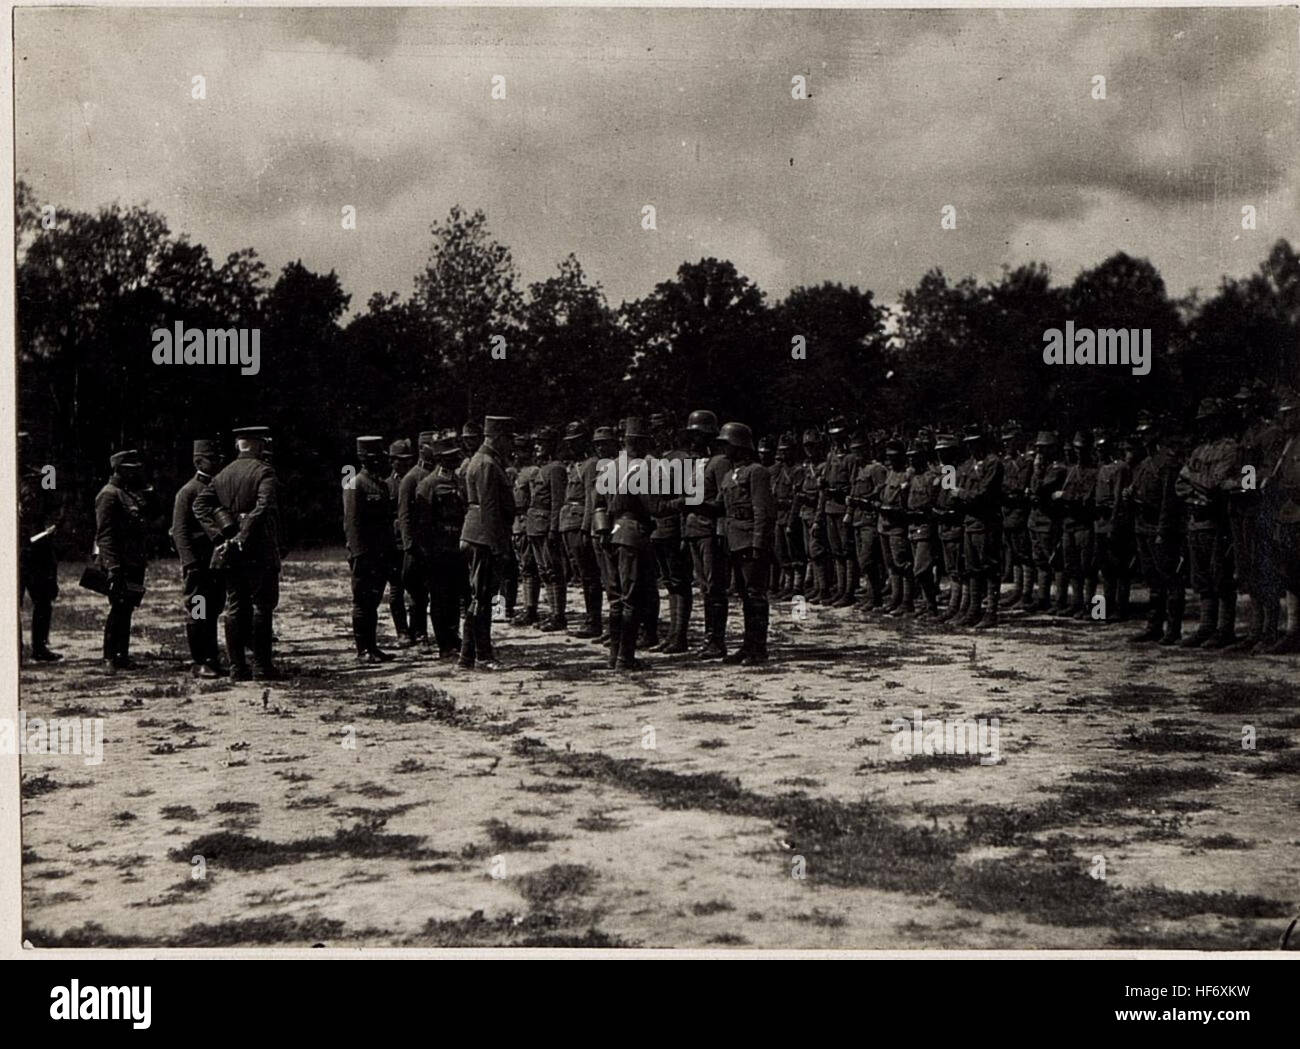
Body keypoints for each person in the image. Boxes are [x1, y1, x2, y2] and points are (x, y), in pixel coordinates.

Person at [193, 425, 283, 680]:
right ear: (256, 444)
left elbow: (200, 505)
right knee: (261, 607)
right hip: (259, 550)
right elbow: (264, 506)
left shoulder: (222, 475)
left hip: (229, 552)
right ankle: (262, 667)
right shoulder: (264, 471)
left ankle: (237, 668)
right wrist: (243, 534)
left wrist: (221, 534)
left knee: (235, 607)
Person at [1176, 398, 1241, 648]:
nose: (1205, 426)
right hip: (1196, 520)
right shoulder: (1198, 450)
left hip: (1217, 522)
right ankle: (1206, 627)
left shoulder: (1229, 449)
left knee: (1221, 576)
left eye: (1209, 421)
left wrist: (1192, 476)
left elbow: (1213, 483)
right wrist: (1196, 491)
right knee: (1201, 578)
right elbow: (1179, 486)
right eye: (1202, 422)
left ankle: (1224, 630)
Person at [459, 416, 516, 670]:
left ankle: (468, 656)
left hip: (481, 536)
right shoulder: (487, 464)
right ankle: (482, 656)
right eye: (508, 439)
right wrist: (498, 546)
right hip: (484, 538)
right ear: (498, 438)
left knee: (481, 596)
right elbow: (490, 508)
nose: (510, 445)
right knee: (483, 598)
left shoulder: (484, 461)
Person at [720, 422, 774, 663]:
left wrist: (758, 542)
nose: (724, 449)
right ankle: (747, 645)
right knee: (744, 595)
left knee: (755, 595)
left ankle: (758, 648)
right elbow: (722, 508)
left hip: (751, 539)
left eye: (727, 444)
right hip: (735, 540)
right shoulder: (729, 474)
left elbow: (762, 510)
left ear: (739, 445)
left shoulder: (757, 472)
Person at [172, 438, 226, 677]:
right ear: (198, 461)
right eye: (212, 459)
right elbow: (180, 531)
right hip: (198, 562)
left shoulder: (218, 488)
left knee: (213, 608)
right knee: (198, 608)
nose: (217, 463)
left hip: (215, 560)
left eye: (218, 459)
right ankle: (199, 660)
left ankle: (211, 657)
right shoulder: (187, 492)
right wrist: (190, 562)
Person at [607, 418, 657, 670]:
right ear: (639, 442)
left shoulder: (612, 466)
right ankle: (625, 658)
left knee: (616, 598)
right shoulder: (641, 468)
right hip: (633, 533)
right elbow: (653, 506)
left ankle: (614, 655)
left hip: (613, 532)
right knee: (631, 598)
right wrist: (682, 501)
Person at [95, 449, 150, 670]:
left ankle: (122, 655)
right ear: (119, 470)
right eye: (131, 470)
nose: (135, 473)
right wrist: (113, 567)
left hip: (133, 561)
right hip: (119, 564)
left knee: (126, 608)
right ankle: (109, 657)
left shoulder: (127, 493)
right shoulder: (108, 495)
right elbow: (104, 535)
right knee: (118, 608)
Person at [414, 436, 468, 659]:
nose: (456, 459)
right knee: (439, 597)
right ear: (439, 459)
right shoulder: (428, 485)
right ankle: (444, 643)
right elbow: (423, 523)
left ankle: (454, 637)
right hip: (439, 550)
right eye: (450, 456)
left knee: (455, 597)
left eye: (456, 455)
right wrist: (427, 552)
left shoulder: (459, 482)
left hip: (458, 548)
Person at [344, 436, 396, 664]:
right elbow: (351, 523)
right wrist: (358, 554)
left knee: (373, 602)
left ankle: (372, 647)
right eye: (376, 457)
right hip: (365, 554)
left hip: (380, 553)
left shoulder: (381, 484)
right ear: (365, 459)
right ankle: (362, 649)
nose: (381, 461)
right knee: (362, 602)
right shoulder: (355, 483)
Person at [684, 410, 730, 658]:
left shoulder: (720, 461)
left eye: (697, 434)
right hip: (695, 530)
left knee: (714, 588)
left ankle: (716, 640)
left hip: (710, 530)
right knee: (704, 587)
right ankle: (709, 637)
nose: (693, 439)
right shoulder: (698, 461)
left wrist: (698, 504)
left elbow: (726, 500)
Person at [18, 431, 62, 662]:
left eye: (24, 443)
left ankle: (40, 647)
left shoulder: (46, 472)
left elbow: (55, 506)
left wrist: (49, 528)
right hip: (12, 548)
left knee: (43, 599)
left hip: (38, 547)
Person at [559, 422, 604, 640]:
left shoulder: (591, 464)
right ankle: (591, 618)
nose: (572, 446)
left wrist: (587, 528)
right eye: (570, 442)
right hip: (570, 522)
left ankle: (594, 621)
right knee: (584, 575)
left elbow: (590, 498)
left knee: (590, 575)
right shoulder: (578, 464)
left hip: (580, 525)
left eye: (576, 441)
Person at [1263, 392, 1300, 653]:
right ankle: (1289, 631)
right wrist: (1249, 485)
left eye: (1291, 413)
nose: (1285, 418)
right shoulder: (1284, 443)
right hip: (1284, 513)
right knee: (1290, 573)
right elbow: (1261, 470)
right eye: (1283, 413)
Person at [398, 431, 438, 653]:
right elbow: (404, 515)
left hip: (435, 543)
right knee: (418, 593)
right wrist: (409, 545)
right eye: (431, 446)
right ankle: (419, 633)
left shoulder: (438, 473)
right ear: (422, 448)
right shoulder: (411, 478)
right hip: (418, 545)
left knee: (438, 591)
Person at [528, 426, 569, 632]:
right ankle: (553, 613)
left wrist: (554, 529)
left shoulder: (556, 469)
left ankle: (558, 615)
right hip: (535, 526)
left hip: (546, 526)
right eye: (536, 443)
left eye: (541, 443)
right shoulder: (542, 469)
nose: (537, 447)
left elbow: (557, 502)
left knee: (553, 571)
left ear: (551, 445)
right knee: (544, 571)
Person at [877, 438, 912, 615]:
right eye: (889, 456)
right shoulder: (890, 473)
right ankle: (895, 598)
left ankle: (907, 601)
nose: (891, 460)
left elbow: (908, 502)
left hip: (898, 524)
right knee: (891, 564)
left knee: (903, 563)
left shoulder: (908, 474)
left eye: (895, 456)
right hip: (884, 524)